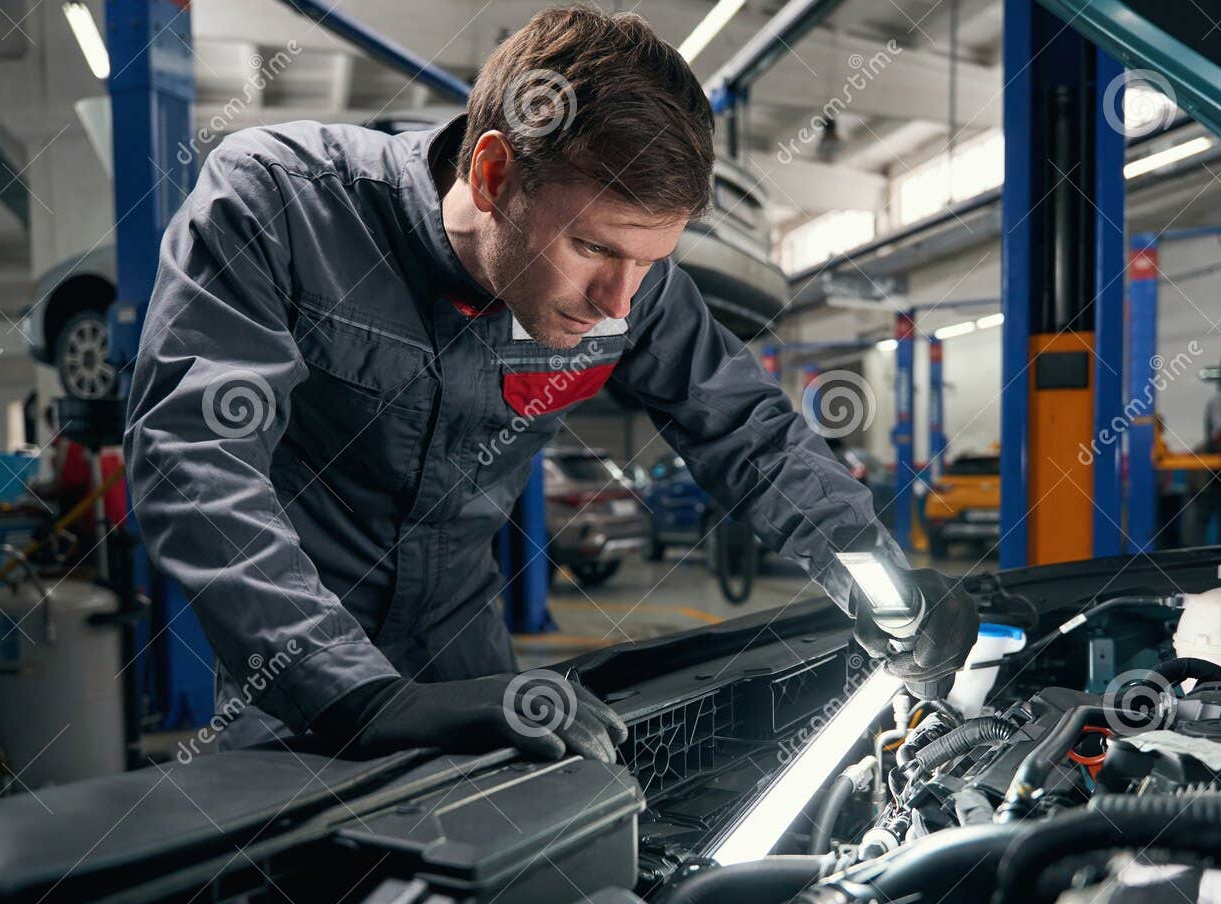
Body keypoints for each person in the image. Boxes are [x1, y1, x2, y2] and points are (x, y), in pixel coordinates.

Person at [125, 6, 976, 764]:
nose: (620, 302)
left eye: (650, 261)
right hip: (292, 676)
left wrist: (884, 581)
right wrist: (357, 696)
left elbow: (748, 432)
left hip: (472, 668)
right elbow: (193, 456)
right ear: (493, 176)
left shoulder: (636, 293)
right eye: (598, 249)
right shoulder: (281, 202)